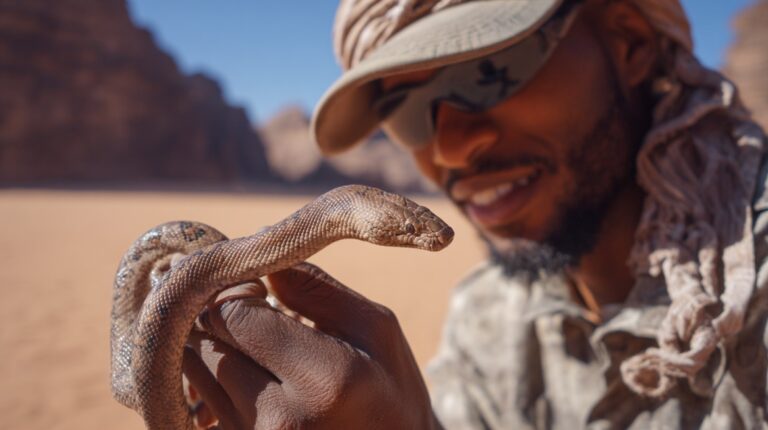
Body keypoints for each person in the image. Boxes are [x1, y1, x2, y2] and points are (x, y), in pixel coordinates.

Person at [182, 0, 768, 428]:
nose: (451, 147)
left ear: (629, 42)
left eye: (489, 73)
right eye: (405, 112)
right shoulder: (485, 316)